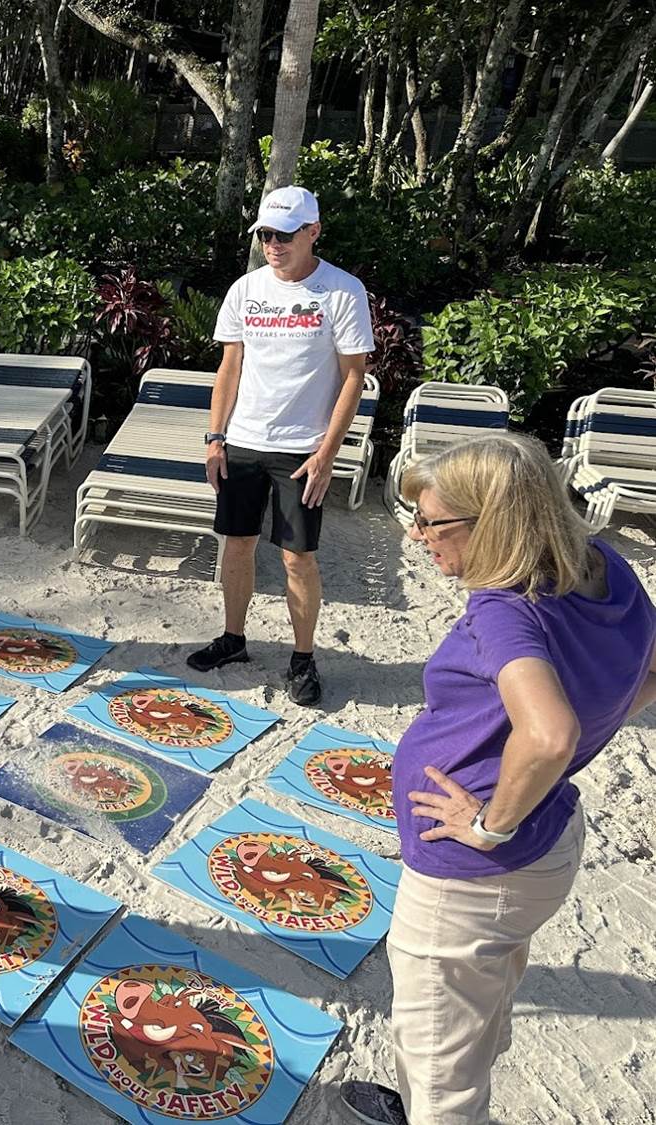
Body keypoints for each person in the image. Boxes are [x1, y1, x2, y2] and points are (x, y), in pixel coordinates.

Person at [339, 433, 656, 1125]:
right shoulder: (602, 565)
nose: (416, 535)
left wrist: (490, 823)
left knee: (437, 1066)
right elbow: (646, 670)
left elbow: (549, 735)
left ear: (492, 522)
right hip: (543, 846)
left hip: (473, 875)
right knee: (474, 1007)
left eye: (431, 522)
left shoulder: (506, 608)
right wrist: (579, 738)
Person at [188, 185, 374, 706]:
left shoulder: (342, 291)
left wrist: (327, 454)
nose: (273, 244)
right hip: (243, 441)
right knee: (236, 545)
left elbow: (353, 377)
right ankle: (233, 639)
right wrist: (215, 438)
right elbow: (230, 366)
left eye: (285, 235)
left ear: (313, 232)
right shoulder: (246, 289)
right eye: (266, 234)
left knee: (298, 559)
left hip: (301, 450)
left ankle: (303, 658)